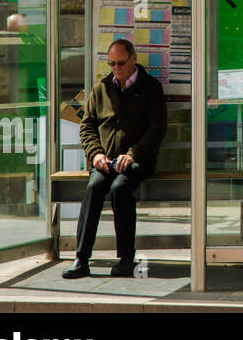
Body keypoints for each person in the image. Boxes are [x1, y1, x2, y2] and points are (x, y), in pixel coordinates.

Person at [62, 39, 167, 279]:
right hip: (105, 159)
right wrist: (96, 153)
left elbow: (157, 129)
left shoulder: (150, 88)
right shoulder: (102, 88)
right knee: (95, 187)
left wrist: (132, 155)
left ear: (133, 59)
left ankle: (127, 259)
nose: (116, 68)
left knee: (121, 189)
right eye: (112, 64)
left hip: (137, 160)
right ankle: (81, 258)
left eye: (121, 63)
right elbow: (87, 126)